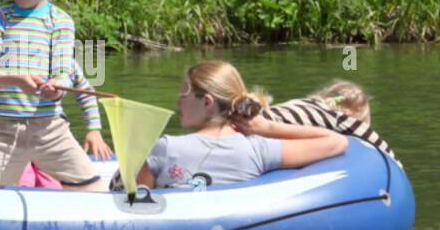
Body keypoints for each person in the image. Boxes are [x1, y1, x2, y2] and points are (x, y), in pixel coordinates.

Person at [0, 0, 112, 190]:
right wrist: (15, 80)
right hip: (4, 131)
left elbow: (63, 72)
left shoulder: (60, 21)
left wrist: (55, 89)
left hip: (50, 130)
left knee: (94, 191)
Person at [131, 61, 348, 189]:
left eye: (184, 94)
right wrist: (267, 128)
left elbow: (131, 202)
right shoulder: (257, 149)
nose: (179, 101)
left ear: (207, 102)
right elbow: (336, 141)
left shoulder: (165, 148)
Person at [261, 80, 401, 166]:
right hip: (264, 128)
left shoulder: (307, 104)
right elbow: (375, 141)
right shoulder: (340, 119)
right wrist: (397, 166)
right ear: (352, 114)